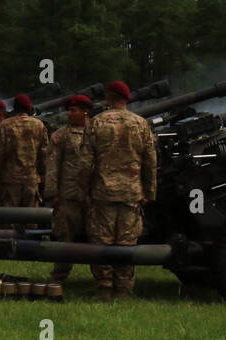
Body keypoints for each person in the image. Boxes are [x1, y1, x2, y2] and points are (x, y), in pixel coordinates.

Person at [84, 81, 157, 299]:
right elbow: (150, 161)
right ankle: (125, 289)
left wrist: (85, 192)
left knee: (101, 240)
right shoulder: (141, 124)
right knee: (127, 241)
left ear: (109, 98)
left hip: (103, 192)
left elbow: (86, 162)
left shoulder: (97, 123)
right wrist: (150, 192)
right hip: (131, 193)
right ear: (126, 99)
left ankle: (104, 287)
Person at [45, 94, 94, 285]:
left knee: (97, 237)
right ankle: (59, 278)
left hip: (93, 195)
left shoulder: (97, 133)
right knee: (65, 237)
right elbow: (52, 166)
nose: (69, 114)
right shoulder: (61, 136)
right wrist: (52, 193)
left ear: (85, 111)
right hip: (68, 195)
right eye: (68, 110)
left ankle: (102, 280)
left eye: (73, 110)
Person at [0, 94, 49, 207]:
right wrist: (43, 177)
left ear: (15, 108)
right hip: (31, 180)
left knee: (9, 218)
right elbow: (44, 155)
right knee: (31, 217)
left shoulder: (5, 125)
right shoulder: (39, 125)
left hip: (10, 180)